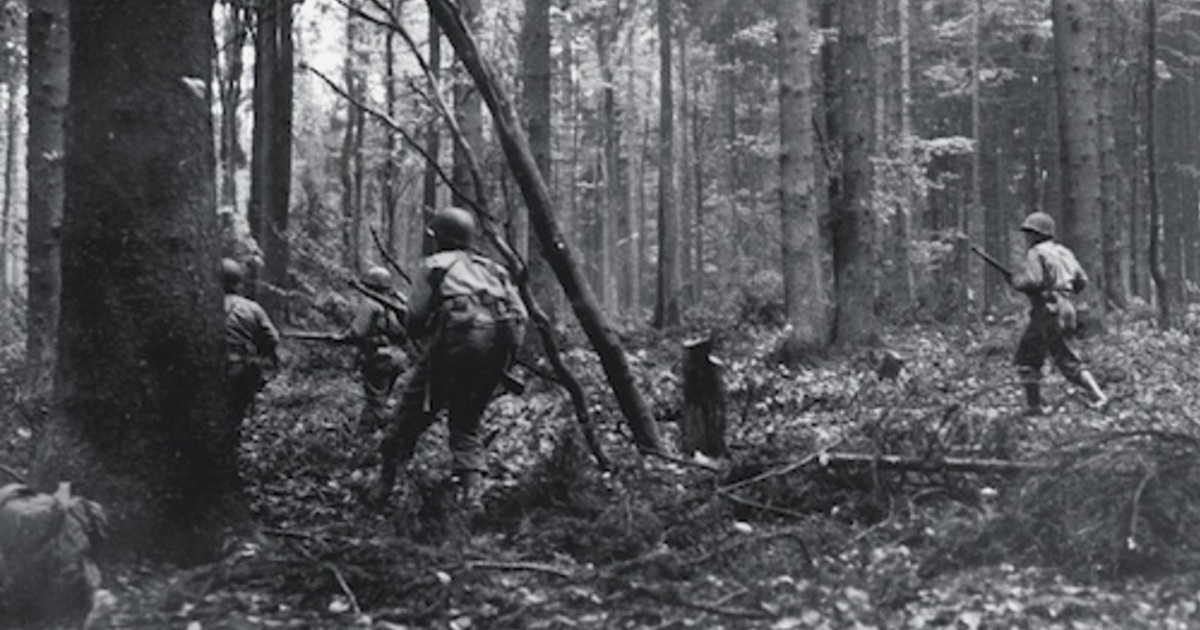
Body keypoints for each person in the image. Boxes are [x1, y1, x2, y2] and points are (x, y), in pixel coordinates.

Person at [367, 206, 527, 511]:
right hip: (491, 358)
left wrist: (424, 330)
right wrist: (502, 363)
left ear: (438, 237)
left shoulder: (434, 265)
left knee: (406, 421)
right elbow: (521, 316)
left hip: (448, 356)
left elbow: (415, 320)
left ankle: (384, 490)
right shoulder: (495, 269)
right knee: (466, 427)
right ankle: (472, 500)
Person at [1010, 212, 1107, 415]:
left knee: (1051, 359)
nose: (1028, 238)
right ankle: (1034, 406)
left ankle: (1098, 397)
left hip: (1048, 310)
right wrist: (1066, 293)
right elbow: (1082, 280)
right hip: (1066, 308)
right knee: (1033, 355)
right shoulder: (1064, 252)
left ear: (1039, 235)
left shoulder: (1036, 253)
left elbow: (1034, 281)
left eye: (1031, 233)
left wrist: (1017, 283)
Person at [340, 266, 408, 442]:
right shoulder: (398, 303)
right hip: (397, 358)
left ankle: (369, 441)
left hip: (379, 358)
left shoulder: (370, 304)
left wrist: (342, 338)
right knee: (381, 398)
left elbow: (357, 332)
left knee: (375, 402)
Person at [223, 258, 280, 424]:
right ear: (238, 283)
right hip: (239, 368)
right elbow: (272, 339)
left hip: (207, 367)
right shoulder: (251, 308)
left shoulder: (201, 305)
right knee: (235, 415)